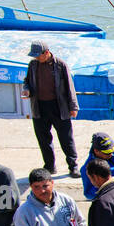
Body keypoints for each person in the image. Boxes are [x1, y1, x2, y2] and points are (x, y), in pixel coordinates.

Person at [21, 41, 80, 178]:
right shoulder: (33, 65)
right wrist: (26, 90)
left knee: (66, 138)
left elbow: (70, 87)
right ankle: (49, 166)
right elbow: (27, 81)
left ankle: (73, 166)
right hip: (39, 106)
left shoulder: (60, 65)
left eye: (38, 55)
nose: (36, 58)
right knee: (43, 139)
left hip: (58, 107)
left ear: (46, 53)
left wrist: (73, 107)